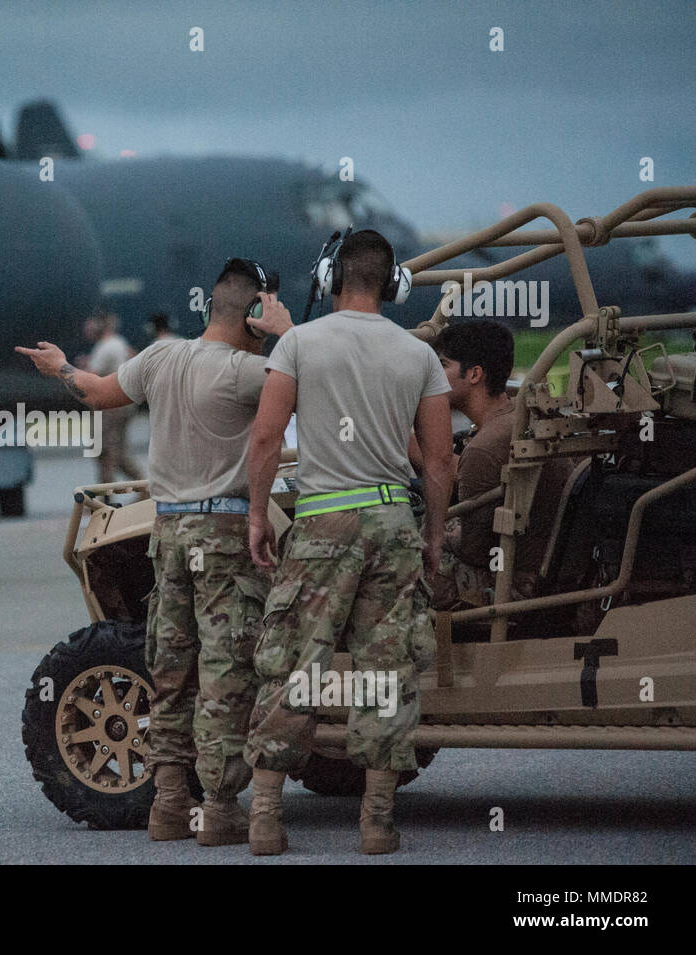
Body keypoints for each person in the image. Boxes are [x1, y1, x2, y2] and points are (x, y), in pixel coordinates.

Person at [17, 259, 293, 845]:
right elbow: (320, 388)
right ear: (252, 314)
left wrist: (59, 365)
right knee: (224, 674)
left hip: (164, 536)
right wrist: (288, 333)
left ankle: (167, 806)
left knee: (169, 673)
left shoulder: (161, 357)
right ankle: (218, 809)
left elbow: (94, 393)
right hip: (223, 538)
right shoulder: (254, 370)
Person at [242, 230, 454, 856]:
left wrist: (258, 515)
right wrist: (435, 536)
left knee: (294, 668)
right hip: (392, 524)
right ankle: (377, 822)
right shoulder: (419, 355)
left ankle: (264, 820)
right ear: (393, 285)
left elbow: (264, 440)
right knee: (385, 673)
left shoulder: (300, 343)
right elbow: (439, 463)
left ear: (334, 278)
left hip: (323, 522)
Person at [428, 321, 576, 609]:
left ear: (474, 374)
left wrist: (438, 536)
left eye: (442, 366)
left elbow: (472, 552)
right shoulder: (520, 418)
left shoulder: (485, 448)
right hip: (548, 568)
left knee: (395, 558)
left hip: (515, 585)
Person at [83, 312, 141, 485]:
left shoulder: (106, 346)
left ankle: (107, 496)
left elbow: (90, 377)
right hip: (122, 403)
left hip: (110, 407)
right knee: (118, 452)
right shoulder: (119, 342)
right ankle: (143, 487)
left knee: (104, 451)